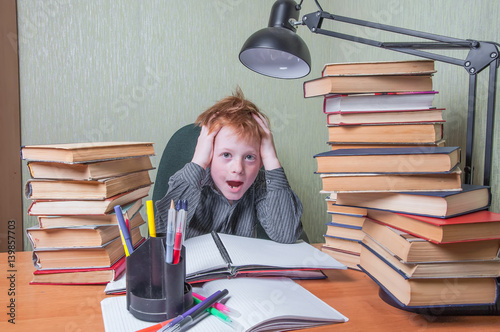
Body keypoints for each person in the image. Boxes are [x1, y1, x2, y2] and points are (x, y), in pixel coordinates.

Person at [155, 88, 303, 244]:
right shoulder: (193, 182)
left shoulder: (259, 186)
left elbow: (286, 235)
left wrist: (271, 158)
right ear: (210, 154)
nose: (238, 168)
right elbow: (164, 232)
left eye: (249, 157)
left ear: (260, 161)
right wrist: (199, 160)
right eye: (226, 155)